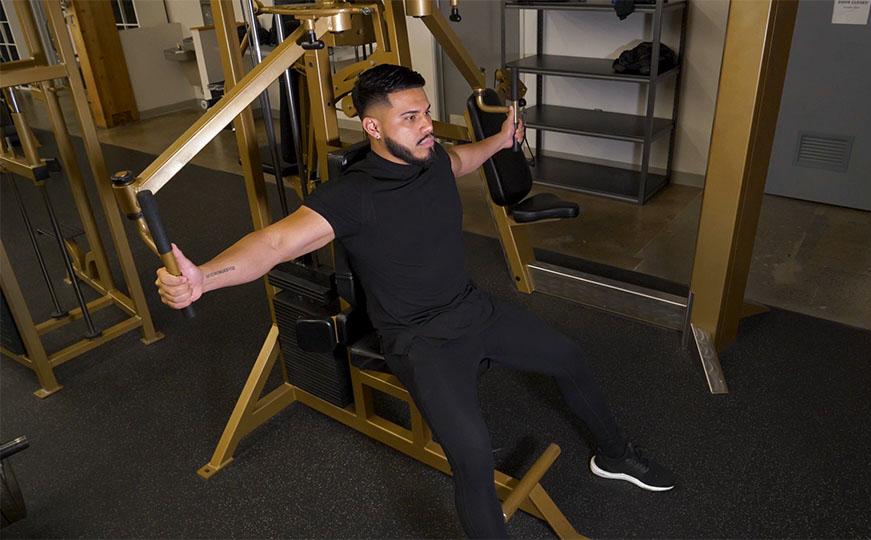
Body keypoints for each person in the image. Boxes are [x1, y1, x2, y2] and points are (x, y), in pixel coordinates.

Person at [156, 64, 675, 538]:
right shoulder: (352, 196)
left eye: (425, 112)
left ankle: (614, 456)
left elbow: (463, 159)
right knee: (473, 457)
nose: (427, 125)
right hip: (419, 340)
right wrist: (205, 277)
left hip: (472, 309)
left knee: (570, 356)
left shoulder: (431, 159)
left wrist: (500, 140)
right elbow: (273, 243)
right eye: (410, 118)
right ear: (373, 127)